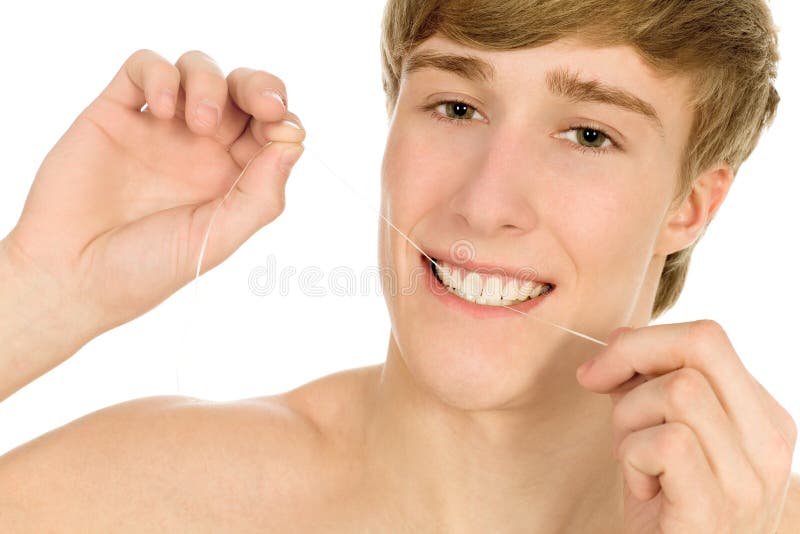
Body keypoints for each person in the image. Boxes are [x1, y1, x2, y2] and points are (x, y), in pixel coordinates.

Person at [0, 0, 797, 531]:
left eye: (588, 135)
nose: (485, 203)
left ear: (691, 205)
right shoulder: (142, 499)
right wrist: (38, 293)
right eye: (456, 107)